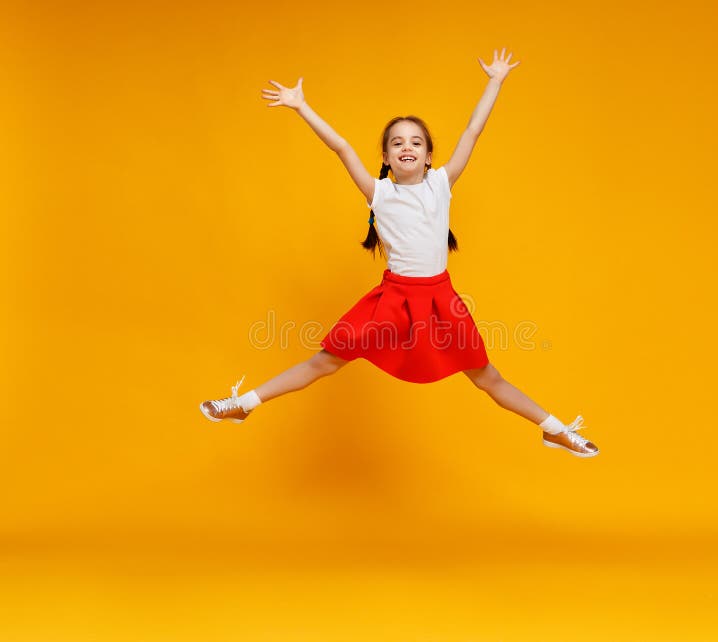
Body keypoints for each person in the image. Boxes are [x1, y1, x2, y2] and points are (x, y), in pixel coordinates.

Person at [200, 49, 599, 458]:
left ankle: (554, 429)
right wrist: (302, 107)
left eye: (415, 142)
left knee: (487, 377)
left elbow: (472, 131)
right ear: (387, 159)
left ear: (428, 157)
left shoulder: (442, 183)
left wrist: (494, 81)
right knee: (325, 361)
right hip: (391, 301)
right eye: (396, 143)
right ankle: (243, 404)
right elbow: (340, 148)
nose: (406, 147)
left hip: (439, 300)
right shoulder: (380, 193)